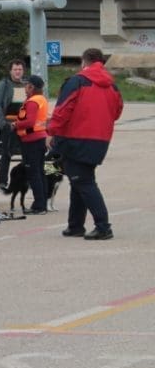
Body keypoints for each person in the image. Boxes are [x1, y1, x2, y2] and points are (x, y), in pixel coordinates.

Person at [47, 48, 124, 241]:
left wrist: (51, 132)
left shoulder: (77, 81)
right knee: (78, 180)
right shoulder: (112, 86)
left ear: (84, 61)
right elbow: (117, 112)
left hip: (76, 139)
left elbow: (62, 111)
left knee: (83, 181)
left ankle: (103, 226)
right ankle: (75, 225)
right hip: (100, 140)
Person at [12, 74, 49, 214]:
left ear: (31, 87)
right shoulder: (41, 99)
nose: (24, 88)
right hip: (39, 139)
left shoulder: (32, 101)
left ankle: (39, 205)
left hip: (32, 141)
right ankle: (42, 203)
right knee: (40, 172)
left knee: (34, 173)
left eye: (26, 85)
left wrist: (15, 124)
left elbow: (29, 122)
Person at [0, 59, 27, 192]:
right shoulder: (4, 85)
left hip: (24, 125)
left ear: (23, 71)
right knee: (6, 154)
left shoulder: (26, 85)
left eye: (20, 69)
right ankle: (2, 183)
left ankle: (25, 181)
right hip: (8, 125)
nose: (18, 72)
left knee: (26, 154)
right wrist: (2, 123)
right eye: (15, 69)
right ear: (10, 71)